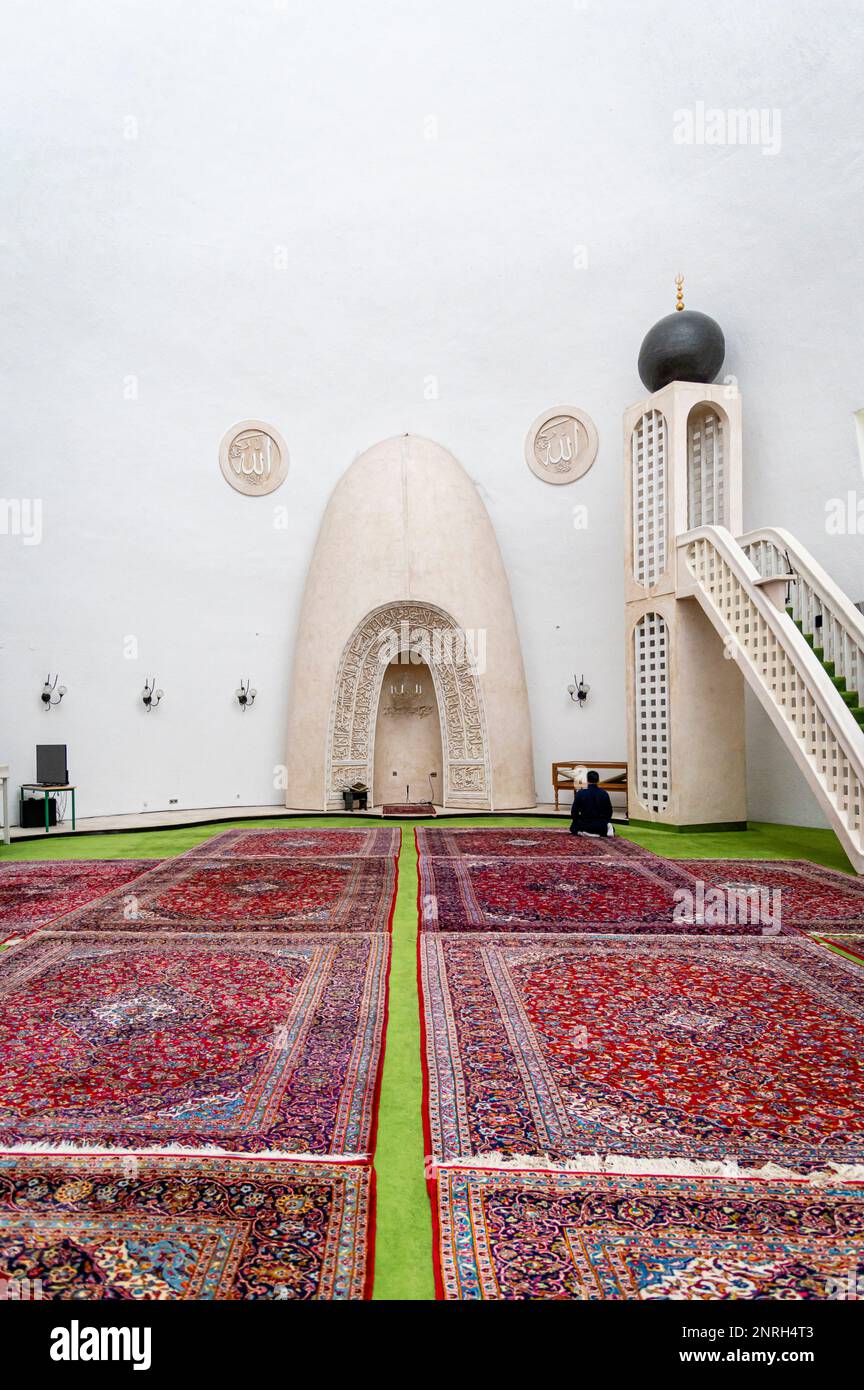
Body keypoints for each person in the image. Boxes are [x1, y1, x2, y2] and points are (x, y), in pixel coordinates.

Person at [570, 769, 615, 837]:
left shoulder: (580, 793)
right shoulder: (604, 793)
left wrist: (576, 821)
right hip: (600, 826)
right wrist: (605, 822)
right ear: (598, 780)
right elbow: (609, 812)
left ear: (586, 780)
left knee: (573, 827)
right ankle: (605, 830)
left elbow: (574, 812)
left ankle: (583, 832)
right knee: (608, 826)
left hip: (585, 825)